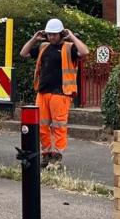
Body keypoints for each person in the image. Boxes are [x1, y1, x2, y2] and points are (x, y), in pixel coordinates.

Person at [19, 18, 88, 167]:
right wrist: (34, 39)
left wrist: (72, 37)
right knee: (41, 127)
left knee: (59, 126)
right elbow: (23, 53)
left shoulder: (70, 48)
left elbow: (85, 51)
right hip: (43, 92)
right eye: (49, 34)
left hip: (61, 93)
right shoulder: (43, 47)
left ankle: (56, 156)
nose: (51, 37)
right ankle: (46, 154)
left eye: (54, 34)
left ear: (61, 34)